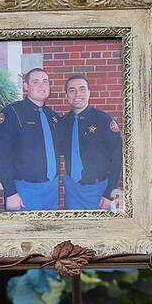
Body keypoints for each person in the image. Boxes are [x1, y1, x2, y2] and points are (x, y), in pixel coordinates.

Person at [0, 67, 63, 211]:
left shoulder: (53, 117)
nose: (42, 85)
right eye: (36, 81)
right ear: (26, 86)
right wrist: (11, 192)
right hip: (24, 190)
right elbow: (1, 155)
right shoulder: (11, 113)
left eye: (45, 81)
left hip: (52, 189)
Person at [55, 74, 123, 210]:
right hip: (72, 191)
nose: (77, 94)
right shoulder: (62, 123)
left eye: (82, 89)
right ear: (66, 95)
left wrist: (110, 193)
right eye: (72, 90)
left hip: (99, 190)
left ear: (89, 92)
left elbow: (117, 159)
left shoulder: (104, 121)